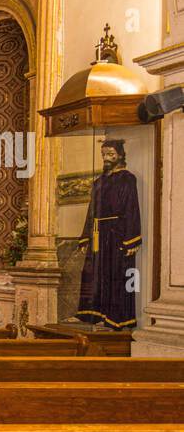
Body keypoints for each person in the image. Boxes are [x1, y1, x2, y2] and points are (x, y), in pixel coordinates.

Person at [77, 138, 141, 329]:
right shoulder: (99, 182)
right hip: (98, 233)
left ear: (120, 155)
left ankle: (117, 317)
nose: (106, 158)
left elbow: (131, 208)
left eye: (111, 154)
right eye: (104, 154)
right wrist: (86, 236)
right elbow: (92, 210)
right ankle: (94, 313)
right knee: (94, 274)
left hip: (116, 234)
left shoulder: (127, 179)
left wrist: (131, 239)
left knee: (116, 275)